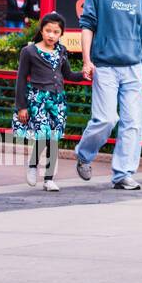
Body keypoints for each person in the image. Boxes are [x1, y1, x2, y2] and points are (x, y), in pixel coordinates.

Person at [73, 0, 142, 190]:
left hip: (133, 67)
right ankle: (84, 154)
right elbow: (87, 26)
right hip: (105, 65)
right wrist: (87, 60)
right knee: (106, 119)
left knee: (133, 123)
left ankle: (123, 174)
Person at [13, 11, 84, 192]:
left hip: (57, 101)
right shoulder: (28, 51)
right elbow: (21, 79)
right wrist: (21, 107)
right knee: (44, 135)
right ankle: (32, 166)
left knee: (53, 138)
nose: (51, 35)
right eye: (48, 31)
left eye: (56, 32)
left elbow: (67, 74)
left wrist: (84, 75)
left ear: (61, 34)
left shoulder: (61, 51)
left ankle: (49, 178)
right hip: (38, 100)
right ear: (42, 31)